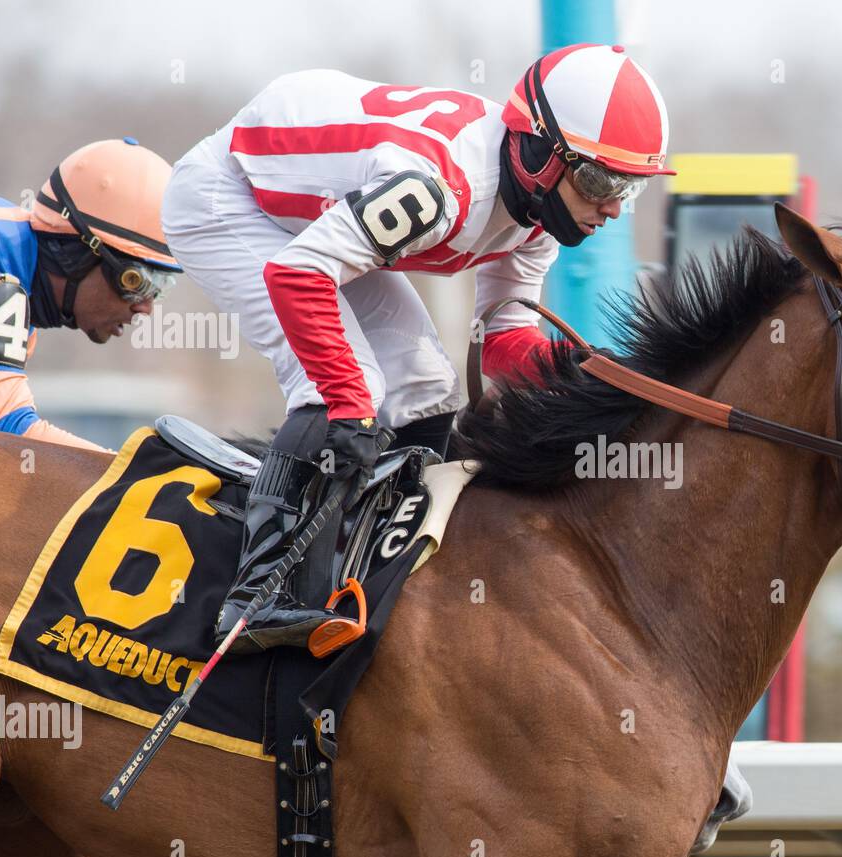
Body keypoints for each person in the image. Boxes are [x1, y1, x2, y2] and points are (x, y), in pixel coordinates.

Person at [161, 43, 674, 653]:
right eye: (601, 180)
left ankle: (384, 568)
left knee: (428, 386)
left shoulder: (538, 220)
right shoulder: (443, 191)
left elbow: (500, 340)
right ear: (540, 154)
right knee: (350, 387)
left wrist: (587, 372)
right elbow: (297, 275)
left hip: (315, 212)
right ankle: (256, 597)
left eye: (631, 188)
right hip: (228, 195)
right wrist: (349, 403)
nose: (613, 208)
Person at [0, 139, 181, 451]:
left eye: (161, 287)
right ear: (81, 251)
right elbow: (4, 435)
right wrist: (130, 471)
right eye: (139, 281)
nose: (145, 307)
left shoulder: (7, 256)